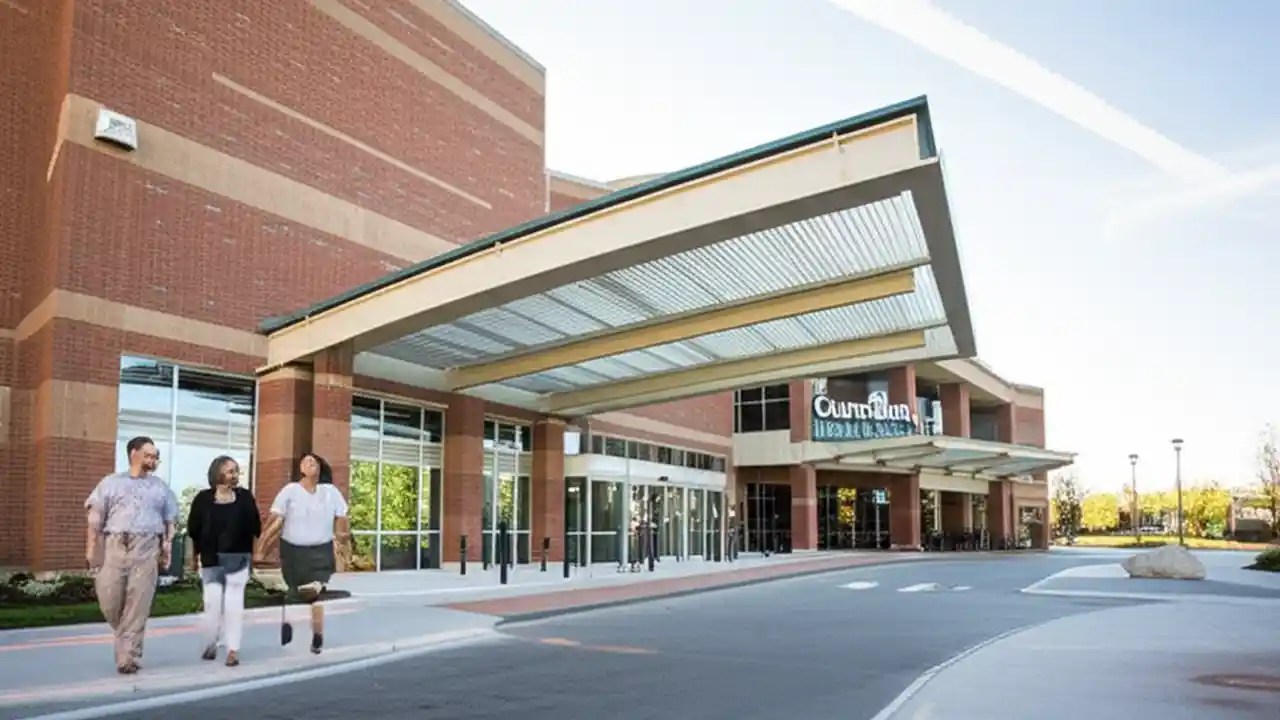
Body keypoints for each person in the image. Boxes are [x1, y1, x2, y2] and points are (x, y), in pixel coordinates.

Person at [84, 436, 179, 674]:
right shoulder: (110, 483)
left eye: (156, 455)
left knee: (138, 603)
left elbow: (170, 521)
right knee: (109, 599)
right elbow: (95, 519)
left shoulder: (160, 487)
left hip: (147, 546)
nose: (154, 459)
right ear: (133, 453)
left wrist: (167, 547)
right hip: (114, 544)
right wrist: (91, 549)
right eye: (149, 454)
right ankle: (126, 638)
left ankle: (128, 657)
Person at [255, 452, 351, 655]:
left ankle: (317, 636)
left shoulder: (330, 492)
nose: (311, 464)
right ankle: (287, 623)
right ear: (301, 469)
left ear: (319, 468)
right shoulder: (290, 491)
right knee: (293, 592)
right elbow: (275, 519)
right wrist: (263, 547)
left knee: (315, 595)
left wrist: (342, 541)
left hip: (320, 551)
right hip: (293, 550)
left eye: (314, 461)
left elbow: (342, 517)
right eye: (307, 461)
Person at [187, 456, 260, 667]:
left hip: (238, 558)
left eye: (235, 470)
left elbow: (256, 526)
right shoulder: (202, 499)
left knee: (234, 605)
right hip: (211, 560)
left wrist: (255, 555)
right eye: (229, 470)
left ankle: (232, 650)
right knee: (212, 604)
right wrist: (194, 558)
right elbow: (194, 531)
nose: (234, 474)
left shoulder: (245, 497)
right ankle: (210, 642)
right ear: (217, 473)